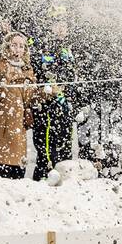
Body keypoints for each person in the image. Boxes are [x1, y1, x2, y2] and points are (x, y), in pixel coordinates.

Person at [30, 13, 77, 181]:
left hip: (64, 103)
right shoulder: (40, 44)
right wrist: (49, 87)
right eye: (57, 25)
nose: (61, 29)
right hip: (45, 104)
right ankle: (43, 178)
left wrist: (64, 87)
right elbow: (36, 70)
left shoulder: (69, 48)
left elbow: (72, 74)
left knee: (65, 144)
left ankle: (64, 178)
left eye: (64, 25)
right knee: (46, 150)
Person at [0, 32, 38, 178]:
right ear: (7, 46)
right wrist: (5, 79)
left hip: (18, 126)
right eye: (14, 45)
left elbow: (29, 99)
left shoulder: (27, 68)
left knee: (19, 171)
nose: (18, 49)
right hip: (2, 124)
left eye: (21, 46)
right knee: (3, 172)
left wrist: (41, 89)